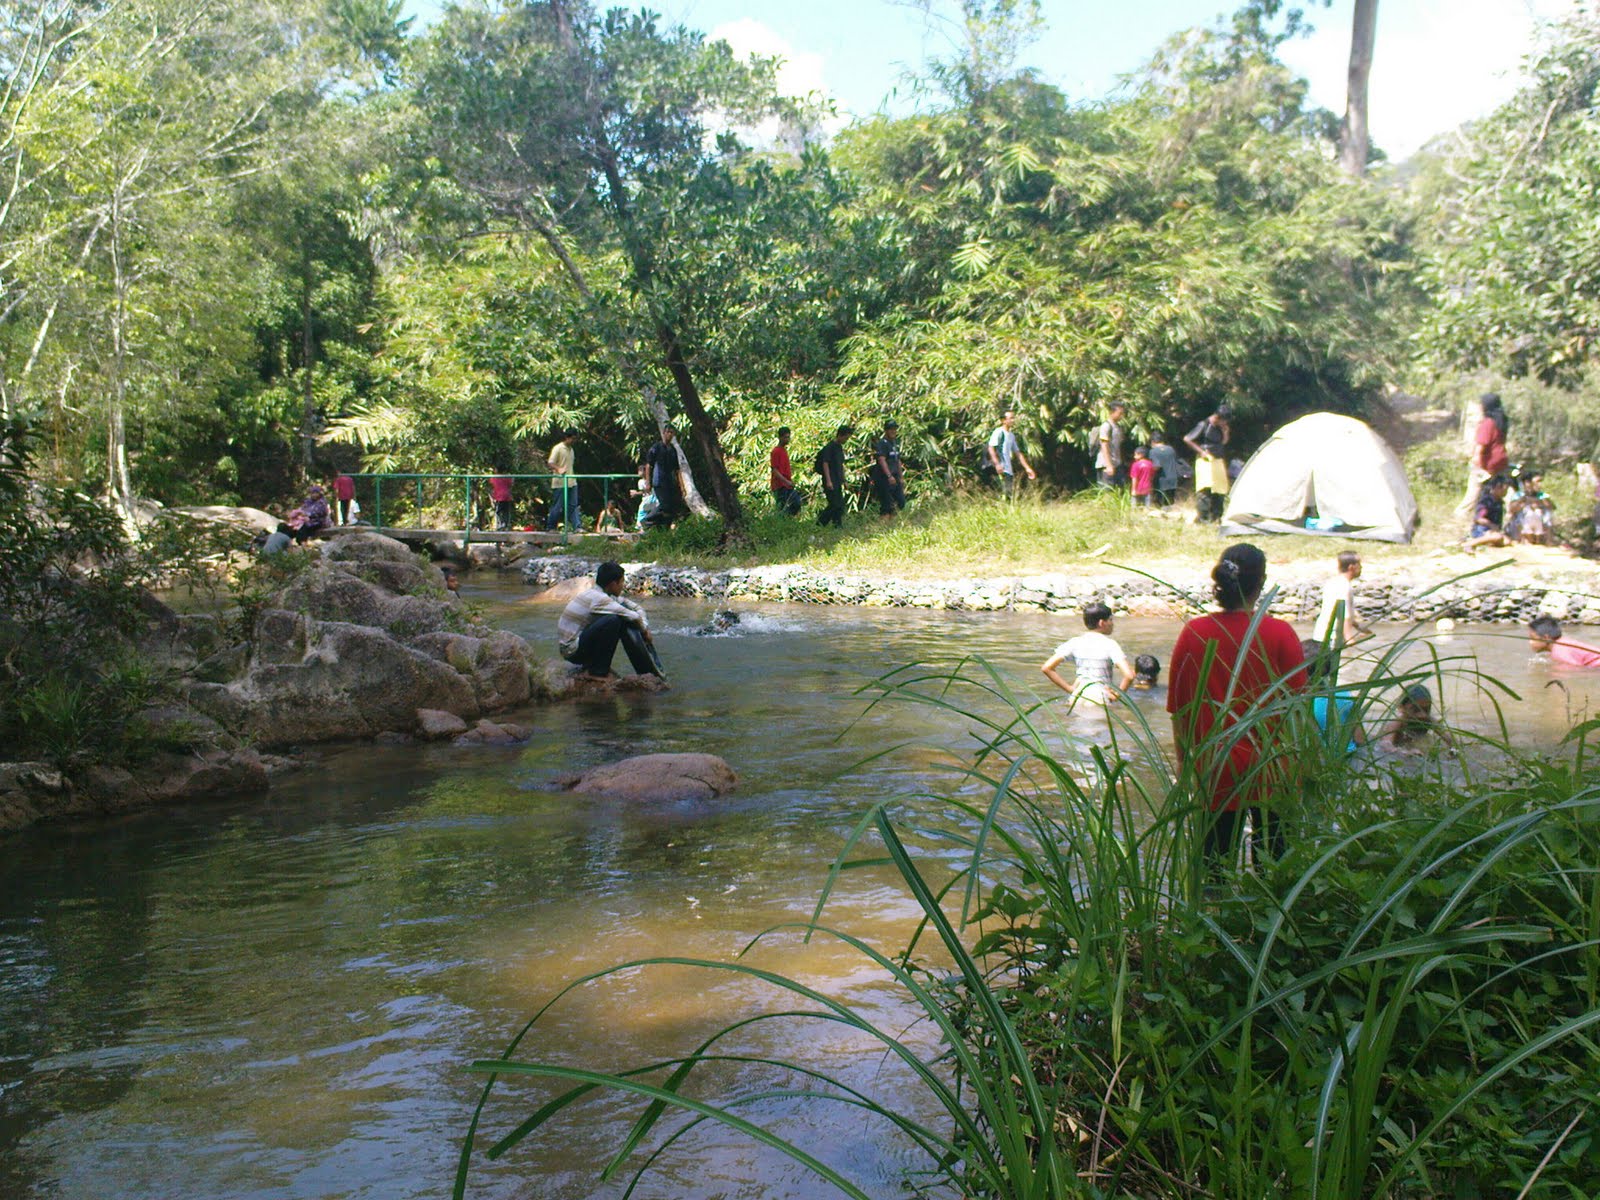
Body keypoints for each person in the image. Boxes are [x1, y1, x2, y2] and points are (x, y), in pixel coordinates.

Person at [1167, 542, 1307, 863]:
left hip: (1215, 768)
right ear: (1261, 584)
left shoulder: (1194, 633)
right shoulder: (1281, 634)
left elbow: (1179, 710)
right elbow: (1298, 710)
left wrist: (1183, 763)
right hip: (1273, 769)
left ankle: (1215, 912)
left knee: (1215, 870)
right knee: (1274, 868)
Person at [557, 561, 662, 679]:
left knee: (620, 615)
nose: (623, 585)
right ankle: (599, 671)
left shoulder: (604, 595)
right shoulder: (599, 598)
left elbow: (637, 609)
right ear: (613, 584)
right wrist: (644, 632)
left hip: (577, 644)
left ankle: (597, 666)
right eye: (622, 582)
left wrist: (645, 625)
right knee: (614, 620)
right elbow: (634, 616)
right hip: (572, 651)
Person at [1040, 602, 1135, 708]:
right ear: (1102, 623)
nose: (1113, 624)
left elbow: (1047, 668)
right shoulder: (1110, 645)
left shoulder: (1074, 642)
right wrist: (1117, 696)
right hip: (1099, 697)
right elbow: (1129, 675)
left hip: (1078, 696)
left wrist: (1070, 689)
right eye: (1111, 620)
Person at [1303, 638, 1365, 755]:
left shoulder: (1303, 704)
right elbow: (1360, 738)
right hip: (1349, 757)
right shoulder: (1345, 695)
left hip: (1321, 762)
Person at [1457, 392, 1510, 515]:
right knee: (1502, 487)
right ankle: (1512, 509)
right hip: (1500, 459)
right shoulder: (1502, 421)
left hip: (1488, 461)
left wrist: (1476, 461)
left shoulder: (1488, 423)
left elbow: (1482, 444)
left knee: (1474, 489)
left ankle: (1461, 512)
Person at [1184, 405, 1232, 522]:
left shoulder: (1222, 427)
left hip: (1218, 459)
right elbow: (1187, 439)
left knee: (1219, 489)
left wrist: (1226, 432)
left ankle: (1216, 517)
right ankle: (1203, 517)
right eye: (1223, 421)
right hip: (1205, 460)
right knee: (1205, 489)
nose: (1224, 423)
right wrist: (1201, 452)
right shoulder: (1204, 425)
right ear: (1217, 417)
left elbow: (1223, 442)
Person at [1315, 551, 1371, 647]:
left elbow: (1339, 612)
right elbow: (1344, 615)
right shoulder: (1344, 585)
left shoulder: (1333, 582)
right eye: (1359, 564)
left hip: (1320, 635)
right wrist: (1349, 639)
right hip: (1331, 638)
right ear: (1351, 567)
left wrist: (1360, 628)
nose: (1361, 567)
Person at [1381, 684, 1455, 752]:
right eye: (1416, 710)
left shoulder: (1430, 721)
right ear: (1401, 707)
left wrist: (1453, 751)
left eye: (1426, 710)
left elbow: (1450, 740)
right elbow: (1386, 745)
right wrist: (1405, 753)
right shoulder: (1395, 724)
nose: (1422, 715)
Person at [986, 409, 1036, 498]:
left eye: (1013, 418)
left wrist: (1027, 468)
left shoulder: (1011, 435)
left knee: (1008, 496)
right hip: (1000, 469)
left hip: (1008, 470)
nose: (1013, 420)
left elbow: (1018, 453)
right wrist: (997, 464)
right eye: (1011, 418)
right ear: (1003, 420)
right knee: (1001, 495)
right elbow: (991, 448)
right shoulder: (998, 432)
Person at [646, 427, 684, 526]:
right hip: (658, 481)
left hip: (669, 482)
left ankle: (663, 528)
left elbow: (677, 470)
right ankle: (648, 520)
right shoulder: (657, 447)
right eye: (668, 432)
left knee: (672, 507)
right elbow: (649, 465)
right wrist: (648, 482)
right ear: (663, 433)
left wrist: (682, 486)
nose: (670, 434)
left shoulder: (672, 450)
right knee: (664, 505)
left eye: (672, 433)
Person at [1528, 616, 1600, 667]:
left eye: (1532, 638)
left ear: (1546, 638)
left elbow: (1575, 671)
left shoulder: (1559, 651)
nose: (1530, 642)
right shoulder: (1562, 643)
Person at [816, 424, 852, 528]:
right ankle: (820, 522)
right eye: (846, 437)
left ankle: (837, 525)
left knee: (839, 505)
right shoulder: (829, 447)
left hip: (837, 480)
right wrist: (828, 481)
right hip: (830, 480)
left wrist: (844, 480)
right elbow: (825, 463)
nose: (846, 440)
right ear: (840, 435)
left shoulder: (839, 448)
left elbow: (840, 465)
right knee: (834, 504)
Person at [1465, 475, 1511, 550]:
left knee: (1507, 541)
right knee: (1497, 537)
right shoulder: (1487, 501)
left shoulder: (1499, 502)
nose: (1505, 492)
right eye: (1505, 490)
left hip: (1493, 530)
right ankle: (1470, 543)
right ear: (1497, 487)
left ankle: (1486, 542)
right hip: (1482, 529)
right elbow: (1478, 518)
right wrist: (1491, 525)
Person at [546, 430, 580, 532]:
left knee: (573, 505)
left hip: (572, 482)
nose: (574, 441)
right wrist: (559, 469)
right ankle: (551, 526)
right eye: (573, 438)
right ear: (567, 437)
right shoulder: (558, 448)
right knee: (557, 506)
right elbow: (550, 462)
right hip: (560, 482)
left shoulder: (571, 450)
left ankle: (577, 526)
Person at [871, 418, 905, 517]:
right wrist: (889, 476)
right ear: (886, 430)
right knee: (887, 505)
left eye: (894, 429)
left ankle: (891, 522)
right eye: (890, 429)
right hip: (884, 478)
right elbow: (882, 460)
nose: (893, 431)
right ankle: (884, 525)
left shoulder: (895, 444)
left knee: (900, 502)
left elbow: (898, 460)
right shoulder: (882, 444)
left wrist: (901, 477)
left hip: (895, 477)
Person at [1507, 470, 1553, 544]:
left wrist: (1536, 501)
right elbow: (1511, 509)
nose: (1540, 484)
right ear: (1528, 483)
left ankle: (1544, 538)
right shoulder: (1518, 495)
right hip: (1522, 524)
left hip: (1540, 524)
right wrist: (1524, 499)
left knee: (1546, 512)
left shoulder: (1542, 496)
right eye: (1538, 481)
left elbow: (1550, 506)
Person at [770, 427, 802, 515]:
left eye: (788, 437)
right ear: (780, 437)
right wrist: (786, 481)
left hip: (787, 485)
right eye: (785, 437)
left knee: (796, 503)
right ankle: (782, 522)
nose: (787, 439)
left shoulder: (784, 451)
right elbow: (775, 470)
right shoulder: (776, 451)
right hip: (780, 485)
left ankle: (787, 520)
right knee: (782, 507)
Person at [1094, 402, 1127, 488]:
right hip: (1106, 464)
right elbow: (1104, 445)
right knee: (1107, 491)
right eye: (1119, 413)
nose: (1122, 416)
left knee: (1119, 490)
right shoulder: (1106, 426)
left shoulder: (1118, 427)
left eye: (1122, 413)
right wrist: (1109, 465)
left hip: (1117, 464)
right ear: (1112, 412)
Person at [1148, 432, 1179, 507]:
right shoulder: (1171, 449)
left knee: (1160, 503)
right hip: (1173, 479)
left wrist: (1150, 475)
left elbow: (1157, 466)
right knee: (1170, 502)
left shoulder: (1153, 451)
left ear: (1152, 442)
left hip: (1161, 480)